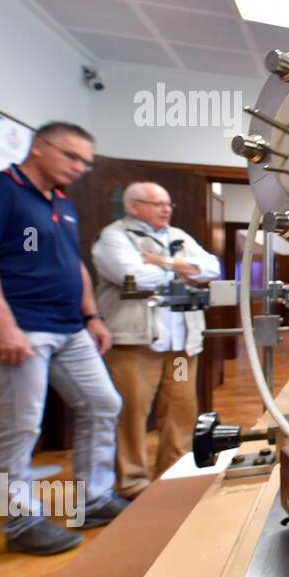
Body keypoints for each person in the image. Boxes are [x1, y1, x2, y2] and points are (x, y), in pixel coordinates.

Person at [0, 122, 125, 555]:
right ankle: (21, 521)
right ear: (39, 147)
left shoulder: (62, 203)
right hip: (21, 325)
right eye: (71, 156)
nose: (79, 167)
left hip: (70, 326)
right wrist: (2, 323)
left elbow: (74, 263)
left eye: (85, 161)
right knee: (20, 423)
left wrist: (91, 315)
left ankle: (94, 498)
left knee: (103, 403)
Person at [92, 182, 220, 500]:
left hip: (181, 344)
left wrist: (162, 263)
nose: (166, 209)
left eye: (168, 203)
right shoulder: (115, 236)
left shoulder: (179, 237)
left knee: (180, 408)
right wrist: (183, 270)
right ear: (133, 206)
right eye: (156, 203)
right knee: (132, 413)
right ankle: (133, 481)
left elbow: (212, 269)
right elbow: (130, 277)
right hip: (137, 344)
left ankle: (173, 473)